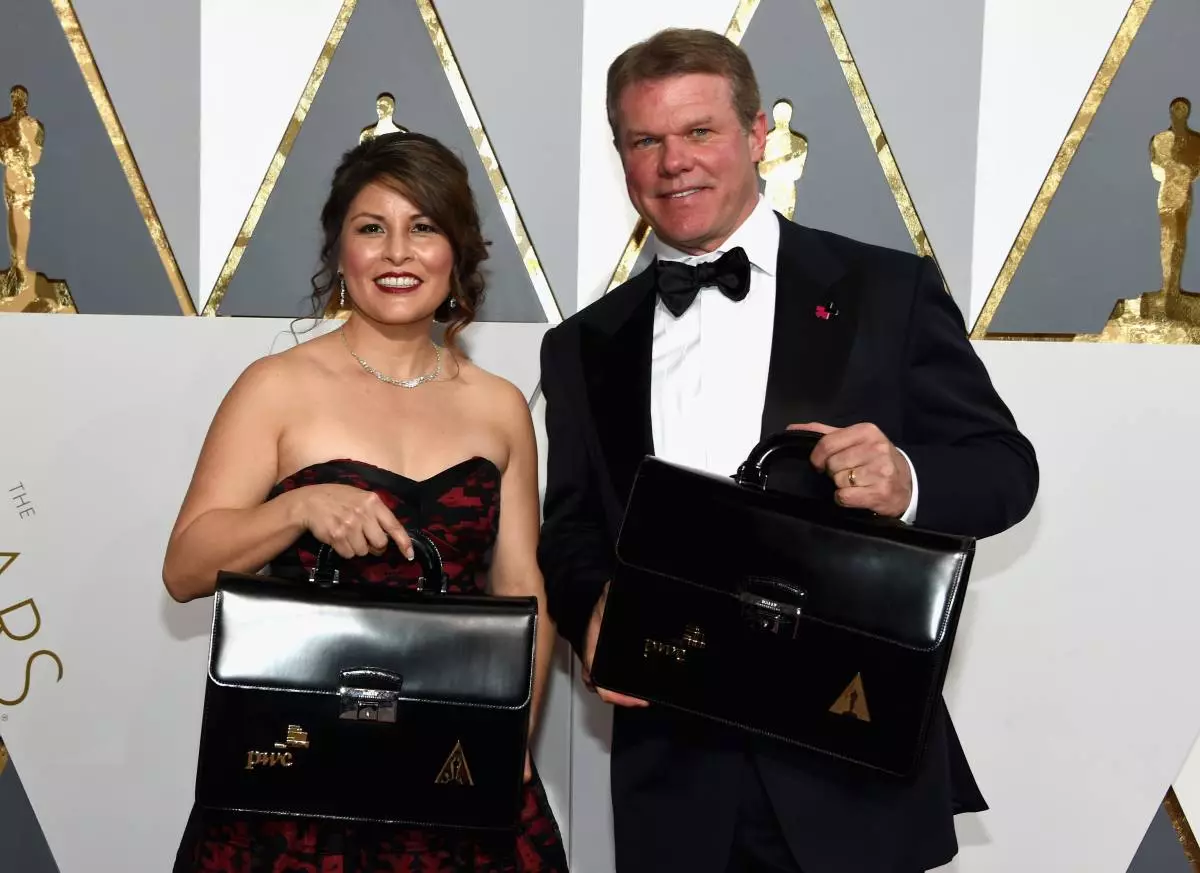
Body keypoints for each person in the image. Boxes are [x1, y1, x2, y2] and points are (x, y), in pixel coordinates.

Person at [536, 28, 1038, 873]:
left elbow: (1004, 468)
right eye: (645, 141)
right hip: (674, 771)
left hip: (851, 761)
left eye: (699, 132)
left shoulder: (888, 288)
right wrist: (590, 614)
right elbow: (574, 528)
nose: (673, 164)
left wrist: (906, 477)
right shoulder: (582, 343)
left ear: (758, 134)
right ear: (620, 153)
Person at [163, 131, 567, 872]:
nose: (397, 253)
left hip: (454, 773)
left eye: (424, 227)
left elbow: (520, 590)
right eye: (371, 228)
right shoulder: (276, 386)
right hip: (297, 778)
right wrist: (298, 507)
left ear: (459, 251)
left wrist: (512, 744)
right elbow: (185, 567)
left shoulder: (502, 407)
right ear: (340, 251)